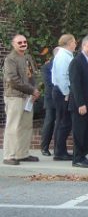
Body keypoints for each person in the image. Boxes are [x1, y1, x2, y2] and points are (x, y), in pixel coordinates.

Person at [2, 34, 40, 166]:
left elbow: (32, 76)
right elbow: (12, 80)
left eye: (24, 41)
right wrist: (31, 90)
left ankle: (22, 154)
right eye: (19, 42)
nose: (23, 44)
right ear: (13, 44)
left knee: (26, 126)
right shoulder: (10, 59)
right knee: (13, 127)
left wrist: (34, 90)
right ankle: (9, 156)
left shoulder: (27, 57)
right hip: (14, 96)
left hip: (27, 97)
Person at [68, 36, 88, 168]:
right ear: (83, 46)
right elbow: (76, 85)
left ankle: (83, 155)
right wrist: (81, 104)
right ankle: (77, 159)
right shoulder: (77, 61)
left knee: (87, 132)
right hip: (80, 105)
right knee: (79, 132)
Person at [51, 34, 76, 161]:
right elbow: (62, 76)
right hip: (62, 92)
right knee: (64, 122)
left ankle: (60, 151)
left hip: (62, 91)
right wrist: (67, 93)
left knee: (63, 122)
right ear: (69, 43)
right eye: (74, 42)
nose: (75, 44)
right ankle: (60, 152)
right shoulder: (63, 56)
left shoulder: (66, 55)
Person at [40, 47, 58, 157]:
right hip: (51, 99)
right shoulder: (47, 67)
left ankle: (58, 149)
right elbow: (49, 84)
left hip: (63, 98)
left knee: (61, 124)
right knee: (49, 122)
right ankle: (44, 147)